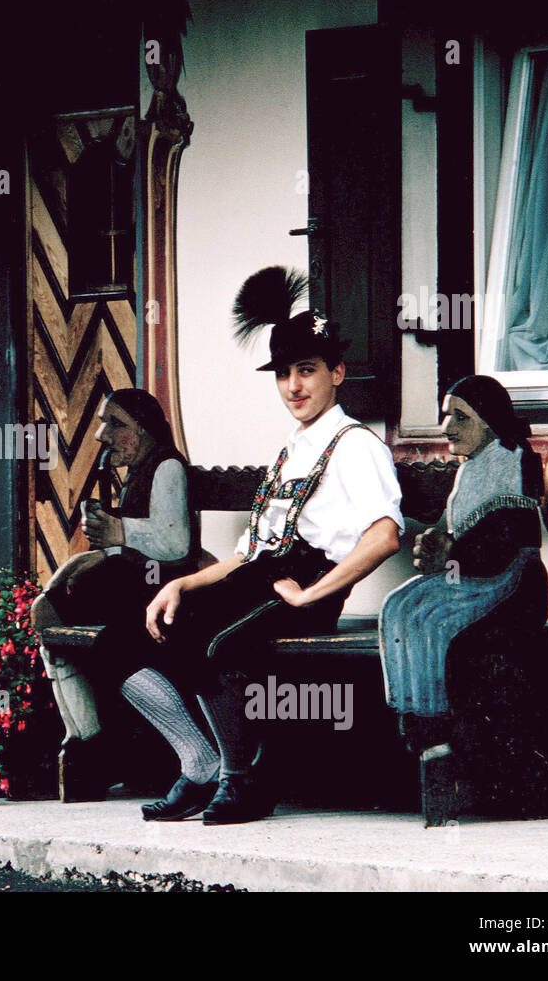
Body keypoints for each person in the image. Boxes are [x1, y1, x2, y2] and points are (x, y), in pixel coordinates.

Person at [131, 266, 403, 824]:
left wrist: (310, 597)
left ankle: (243, 780)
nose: (294, 386)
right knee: (159, 629)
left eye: (307, 371)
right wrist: (181, 583)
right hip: (265, 576)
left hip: (308, 583)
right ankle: (202, 767)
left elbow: (384, 536)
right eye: (283, 373)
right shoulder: (292, 448)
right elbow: (248, 553)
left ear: (338, 372)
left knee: (218, 646)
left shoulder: (356, 446)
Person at [379, 375, 548, 822]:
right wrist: (436, 542)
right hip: (477, 579)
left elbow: (508, 540)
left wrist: (451, 550)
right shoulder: (470, 468)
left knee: (434, 622)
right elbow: (449, 529)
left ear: (491, 423)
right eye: (445, 416)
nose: (447, 427)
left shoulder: (510, 461)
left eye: (461, 417)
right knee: (401, 606)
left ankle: (435, 727)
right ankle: (417, 721)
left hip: (514, 586)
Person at [31, 388, 199, 801]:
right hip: (133, 585)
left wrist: (119, 532)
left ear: (141, 431)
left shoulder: (167, 468)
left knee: (104, 641)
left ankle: (98, 745)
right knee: (47, 615)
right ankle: (84, 736)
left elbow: (175, 545)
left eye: (115, 424)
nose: (102, 435)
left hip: (156, 591)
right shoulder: (136, 472)